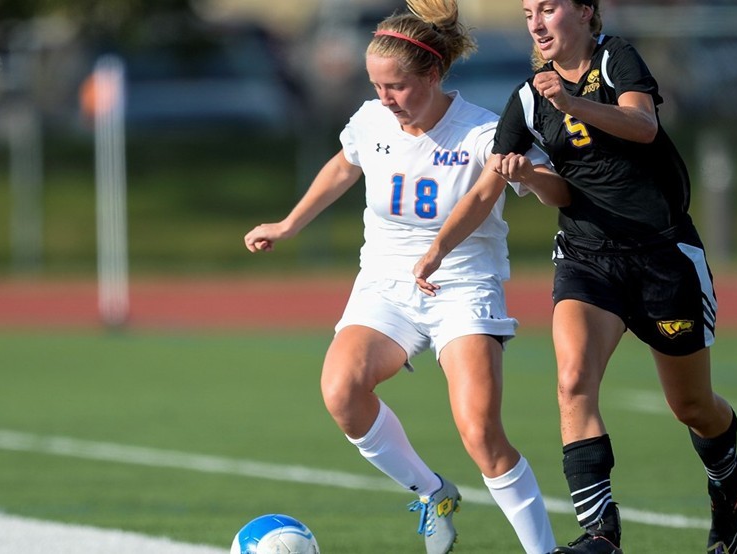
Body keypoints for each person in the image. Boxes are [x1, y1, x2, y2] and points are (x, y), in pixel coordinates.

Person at [413, 1, 737, 553]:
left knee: (693, 408)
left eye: (548, 8)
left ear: (586, 12)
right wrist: (440, 248)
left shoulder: (616, 59)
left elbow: (643, 125)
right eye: (526, 13)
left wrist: (569, 102)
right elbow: (495, 190)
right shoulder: (525, 99)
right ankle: (601, 535)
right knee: (572, 382)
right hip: (588, 258)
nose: (536, 23)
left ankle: (727, 482)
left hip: (664, 258)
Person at [244, 1, 570, 552]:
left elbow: (561, 193)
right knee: (343, 392)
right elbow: (346, 163)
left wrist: (532, 177)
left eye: (395, 86)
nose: (384, 98)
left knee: (480, 433)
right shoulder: (373, 120)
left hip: (463, 286)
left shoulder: (483, 132)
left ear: (433, 75)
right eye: (376, 85)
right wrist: (289, 223)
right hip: (385, 284)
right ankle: (433, 492)